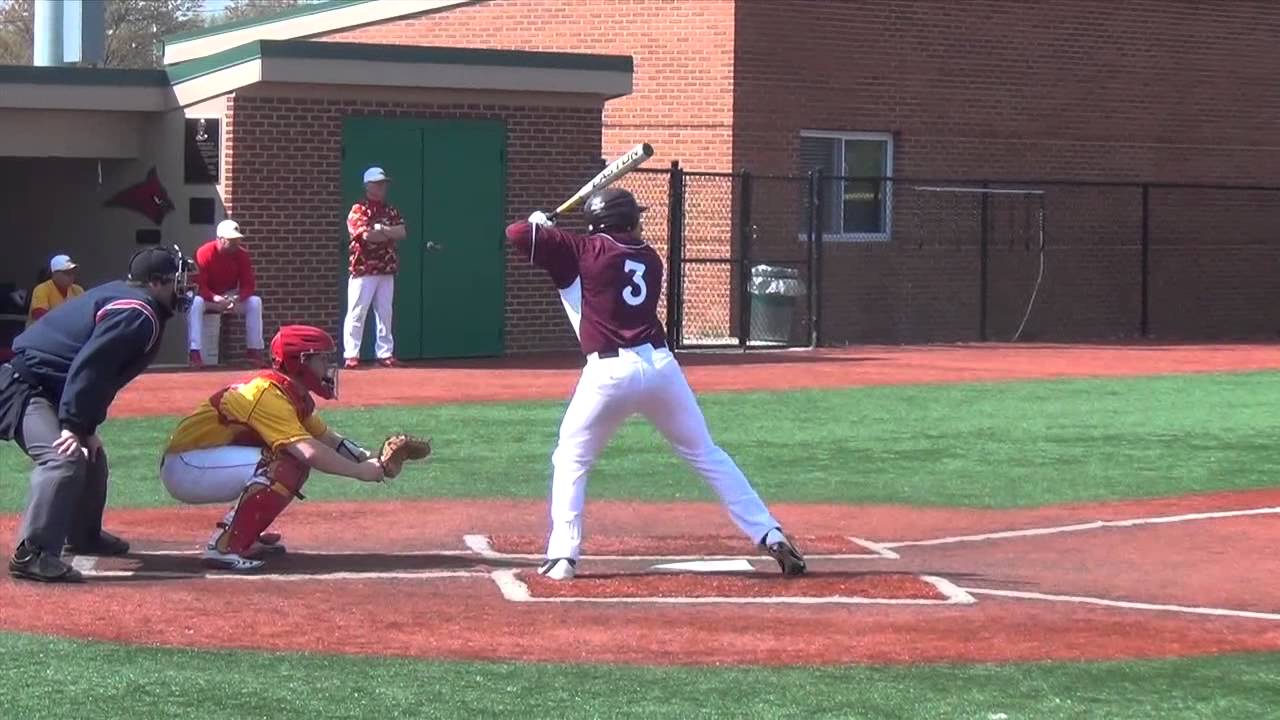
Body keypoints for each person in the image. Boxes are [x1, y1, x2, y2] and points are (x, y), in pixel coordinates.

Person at [504, 188, 806, 580]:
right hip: (662, 368)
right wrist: (545, 233)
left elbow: (514, 234)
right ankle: (768, 531)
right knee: (706, 453)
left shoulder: (579, 251)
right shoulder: (649, 256)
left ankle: (563, 555)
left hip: (608, 373)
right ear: (625, 222)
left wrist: (539, 225)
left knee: (571, 459)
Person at [0, 245, 192, 582]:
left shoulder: (135, 302)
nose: (185, 287)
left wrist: (85, 427)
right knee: (63, 459)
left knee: (92, 456)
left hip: (44, 386)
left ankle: (83, 535)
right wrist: (74, 425)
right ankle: (33, 553)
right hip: (23, 386)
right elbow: (93, 369)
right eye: (177, 279)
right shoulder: (138, 311)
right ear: (156, 282)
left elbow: (93, 373)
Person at [159, 325, 387, 571]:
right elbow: (309, 451)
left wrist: (373, 460)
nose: (327, 365)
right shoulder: (268, 394)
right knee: (285, 463)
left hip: (206, 459)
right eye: (321, 358)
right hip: (186, 463)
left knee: (288, 461)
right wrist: (360, 472)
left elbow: (328, 439)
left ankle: (245, 535)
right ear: (299, 362)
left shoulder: (292, 394)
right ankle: (224, 547)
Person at [342, 166, 406, 369]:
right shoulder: (358, 209)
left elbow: (402, 232)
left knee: (385, 312)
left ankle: (385, 353)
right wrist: (386, 234)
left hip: (386, 268)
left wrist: (384, 230)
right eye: (378, 183)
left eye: (384, 184)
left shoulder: (390, 210)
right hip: (363, 269)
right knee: (357, 312)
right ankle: (351, 354)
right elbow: (367, 236)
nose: (382, 187)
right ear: (368, 186)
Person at [188, 219, 265, 368]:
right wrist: (215, 298)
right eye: (231, 240)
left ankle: (254, 351)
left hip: (229, 297)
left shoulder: (242, 255)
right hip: (208, 297)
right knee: (195, 303)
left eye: (237, 239)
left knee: (255, 302)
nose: (236, 243)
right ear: (220, 240)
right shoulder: (204, 252)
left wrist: (237, 298)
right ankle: (194, 352)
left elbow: (248, 285)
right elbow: (199, 285)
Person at [27, 254, 85, 326]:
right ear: (54, 274)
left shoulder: (78, 290)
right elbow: (38, 313)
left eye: (72, 272)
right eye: (66, 273)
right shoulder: (42, 289)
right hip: (40, 334)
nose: (71, 276)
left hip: (65, 333)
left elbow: (85, 312)